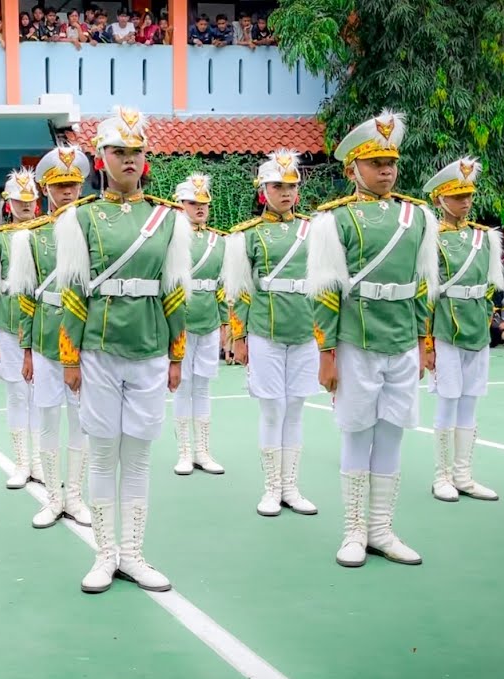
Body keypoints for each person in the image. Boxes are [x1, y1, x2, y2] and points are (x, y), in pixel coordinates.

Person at [55, 107, 192, 594]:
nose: (128, 159)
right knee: (101, 452)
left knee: (136, 454)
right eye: (118, 151)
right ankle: (104, 554)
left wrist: (177, 353)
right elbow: (74, 291)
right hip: (98, 348)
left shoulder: (168, 219)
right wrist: (69, 356)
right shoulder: (80, 218)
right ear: (101, 158)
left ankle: (132, 554)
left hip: (150, 348)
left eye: (136, 151)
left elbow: (175, 290)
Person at [305, 109, 439, 568]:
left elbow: (423, 283)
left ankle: (381, 529)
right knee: (357, 433)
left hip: (401, 339)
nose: (386, 170)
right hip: (355, 340)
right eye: (375, 162)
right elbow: (325, 290)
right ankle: (353, 531)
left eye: (391, 162)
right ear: (352, 169)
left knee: (392, 433)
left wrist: (422, 340)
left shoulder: (418, 217)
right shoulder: (334, 220)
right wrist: (326, 353)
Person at [222, 150, 319, 517]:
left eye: (291, 186)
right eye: (277, 186)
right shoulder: (245, 236)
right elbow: (239, 290)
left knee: (295, 409)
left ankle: (291, 487)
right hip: (265, 330)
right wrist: (239, 337)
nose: (286, 192)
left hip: (306, 329)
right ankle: (271, 488)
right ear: (263, 190)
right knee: (272, 409)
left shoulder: (313, 230)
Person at [12, 145, 95, 529]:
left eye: (72, 184)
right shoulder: (31, 237)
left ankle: (75, 497)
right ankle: (53, 498)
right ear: (46, 189)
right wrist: (26, 349)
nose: (67, 191)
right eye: (60, 185)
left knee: (81, 419)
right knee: (47, 417)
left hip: (85, 340)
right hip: (47, 339)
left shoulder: (93, 229)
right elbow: (25, 297)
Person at [420, 157, 503, 503]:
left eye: (468, 195)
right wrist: (427, 343)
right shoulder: (431, 239)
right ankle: (442, 476)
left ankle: (464, 475)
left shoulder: (485, 238)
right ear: (440, 199)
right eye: (457, 196)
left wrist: (487, 319)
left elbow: (490, 285)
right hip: (446, 327)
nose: (465, 201)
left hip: (476, 327)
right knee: (447, 402)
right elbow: (426, 292)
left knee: (470, 402)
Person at [0, 169, 43, 489]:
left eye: (30, 199)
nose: (25, 205)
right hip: (9, 322)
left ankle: (41, 461)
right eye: (19, 200)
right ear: (8, 203)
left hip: (42, 323)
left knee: (41, 394)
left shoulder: (47, 233)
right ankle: (22, 462)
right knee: (17, 393)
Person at [169, 173, 226, 476]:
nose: (200, 208)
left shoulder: (219, 241)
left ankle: (203, 451)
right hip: (181, 319)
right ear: (180, 205)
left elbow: (222, 285)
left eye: (204, 203)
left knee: (202, 386)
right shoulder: (172, 239)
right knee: (182, 386)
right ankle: (184, 452)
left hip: (209, 319)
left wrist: (226, 322)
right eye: (193, 203)